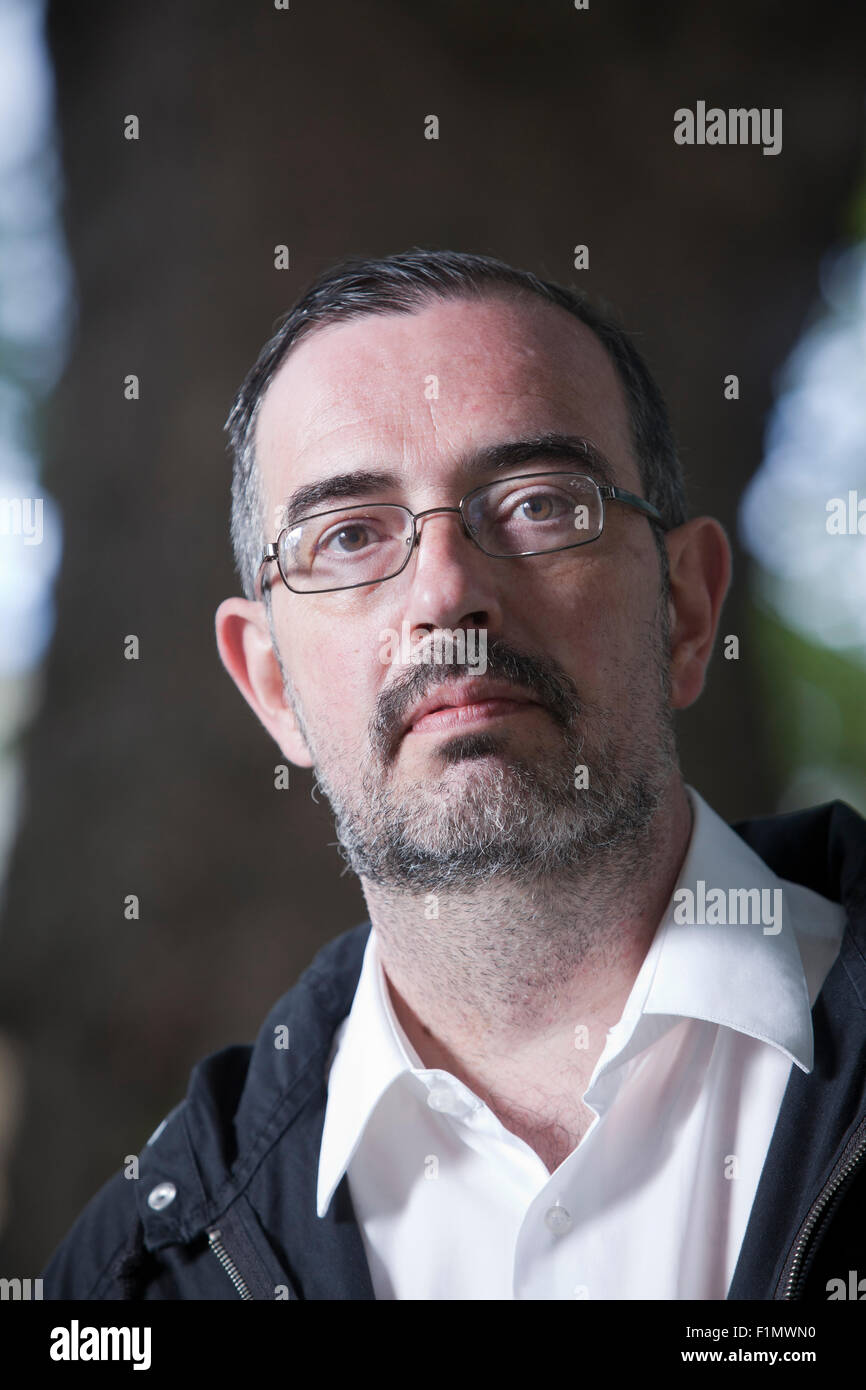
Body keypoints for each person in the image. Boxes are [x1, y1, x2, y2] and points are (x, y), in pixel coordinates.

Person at [42, 250, 866, 1300]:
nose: (444, 594)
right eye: (345, 535)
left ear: (686, 610)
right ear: (271, 685)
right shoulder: (133, 1281)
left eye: (533, 504)